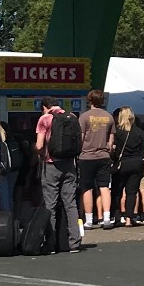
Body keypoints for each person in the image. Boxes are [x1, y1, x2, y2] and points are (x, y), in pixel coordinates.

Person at [35, 97, 82, 251]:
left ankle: (51, 243)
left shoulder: (45, 118)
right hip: (69, 164)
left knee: (50, 204)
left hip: (51, 164)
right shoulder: (72, 117)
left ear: (44, 107)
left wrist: (37, 153)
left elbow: (39, 144)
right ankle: (74, 242)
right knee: (70, 203)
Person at [76, 89, 116, 229]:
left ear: (90, 100)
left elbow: (80, 138)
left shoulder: (84, 117)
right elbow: (111, 142)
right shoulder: (109, 117)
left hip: (86, 156)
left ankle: (88, 220)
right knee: (104, 187)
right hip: (104, 156)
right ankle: (106, 218)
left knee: (87, 188)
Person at [109, 106, 144, 226]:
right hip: (136, 163)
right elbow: (143, 150)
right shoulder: (140, 132)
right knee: (131, 192)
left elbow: (113, 149)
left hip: (121, 163)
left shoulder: (117, 132)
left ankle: (117, 216)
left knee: (117, 191)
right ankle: (129, 218)